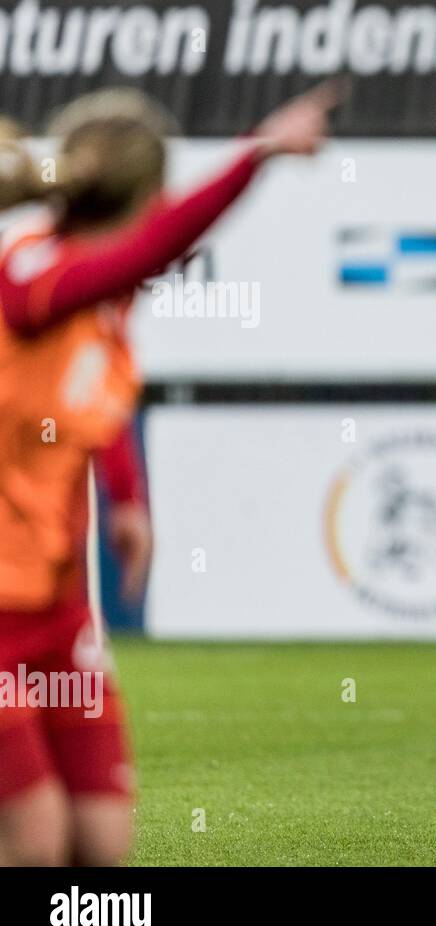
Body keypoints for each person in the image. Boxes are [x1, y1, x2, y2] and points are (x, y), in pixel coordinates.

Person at [0, 83, 337, 865]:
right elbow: (157, 250)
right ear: (147, 198)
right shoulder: (33, 276)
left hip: (57, 615)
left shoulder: (98, 302)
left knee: (100, 846)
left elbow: (87, 409)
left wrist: (128, 498)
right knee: (36, 838)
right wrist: (256, 155)